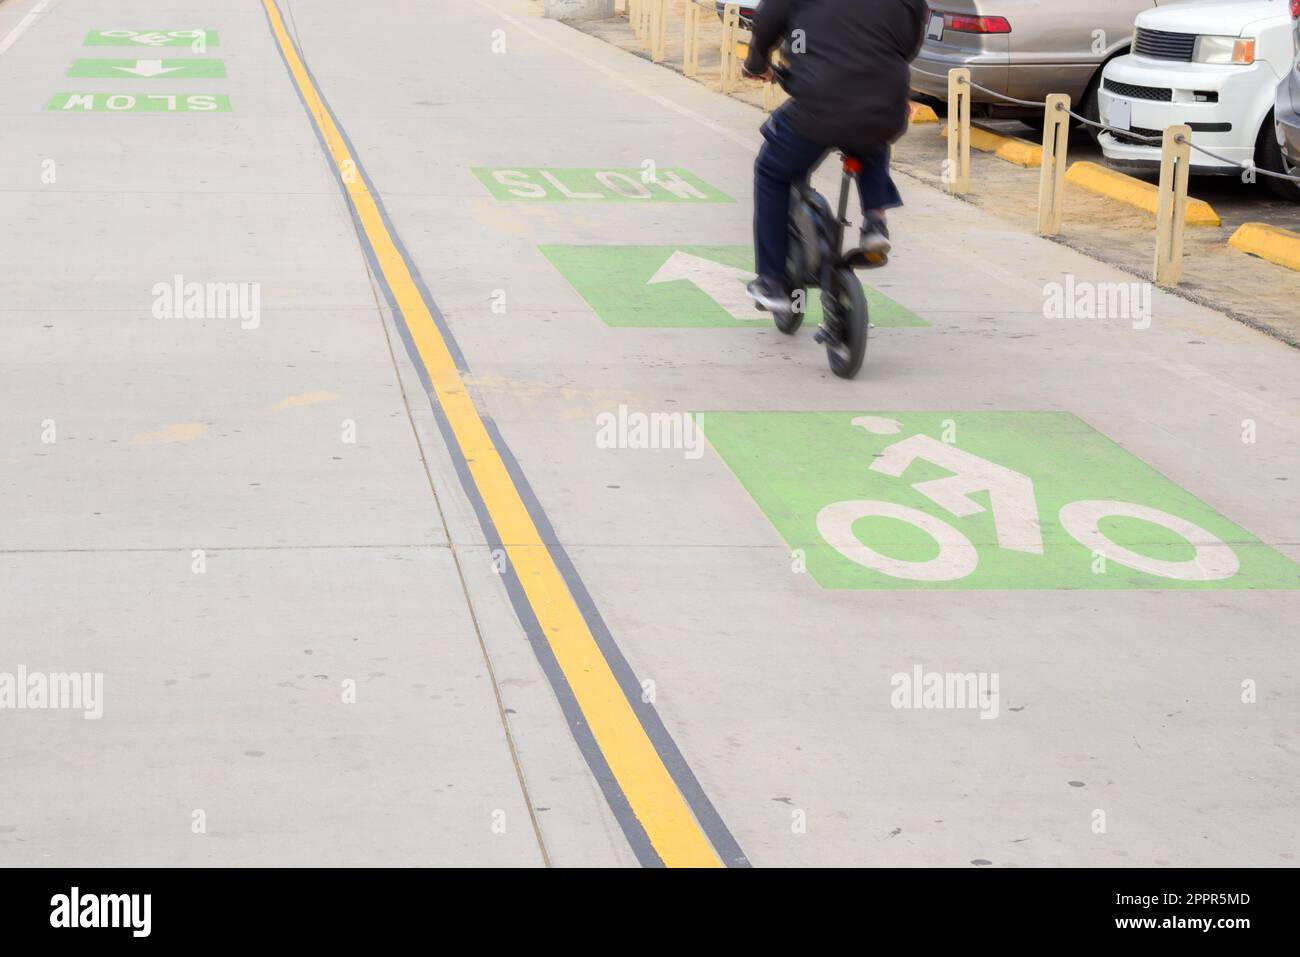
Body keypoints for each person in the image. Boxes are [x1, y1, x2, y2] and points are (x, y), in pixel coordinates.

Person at [742, 0, 929, 312]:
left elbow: (767, 19)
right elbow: (910, 43)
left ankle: (772, 280)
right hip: (886, 103)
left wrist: (756, 62)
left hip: (819, 106)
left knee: (771, 173)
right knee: (871, 134)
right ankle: (874, 223)